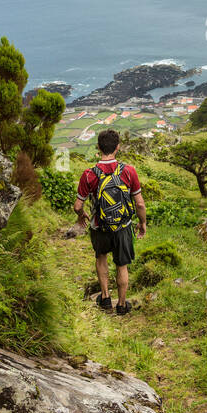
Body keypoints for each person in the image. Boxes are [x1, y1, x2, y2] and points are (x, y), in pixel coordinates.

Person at [73, 130, 148, 316]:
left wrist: (81, 215)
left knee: (101, 258)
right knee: (122, 265)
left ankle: (105, 298)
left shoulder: (89, 174)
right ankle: (122, 305)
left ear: (98, 148)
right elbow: (139, 203)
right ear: (117, 147)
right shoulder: (129, 171)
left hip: (99, 226)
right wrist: (142, 223)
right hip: (123, 227)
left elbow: (77, 206)